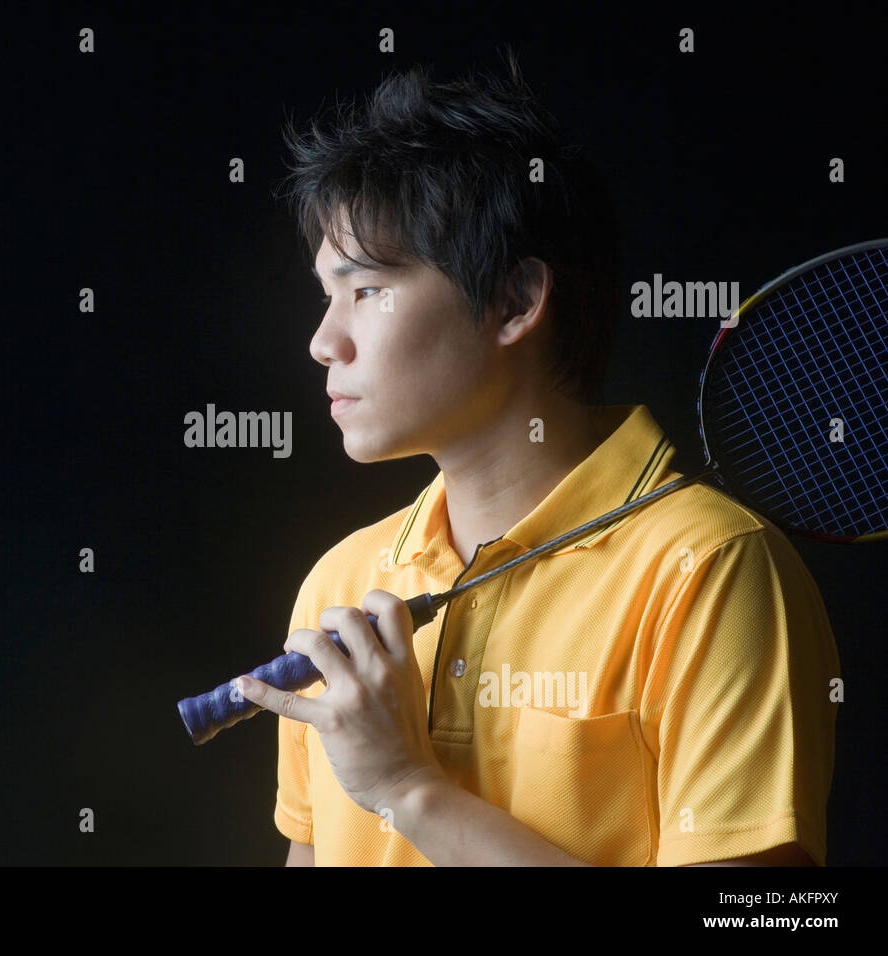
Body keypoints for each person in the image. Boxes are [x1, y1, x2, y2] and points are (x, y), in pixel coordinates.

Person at [237, 54, 839, 866]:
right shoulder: (341, 585)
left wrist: (409, 791)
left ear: (516, 301)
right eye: (325, 294)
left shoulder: (710, 570)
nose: (323, 341)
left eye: (367, 289)